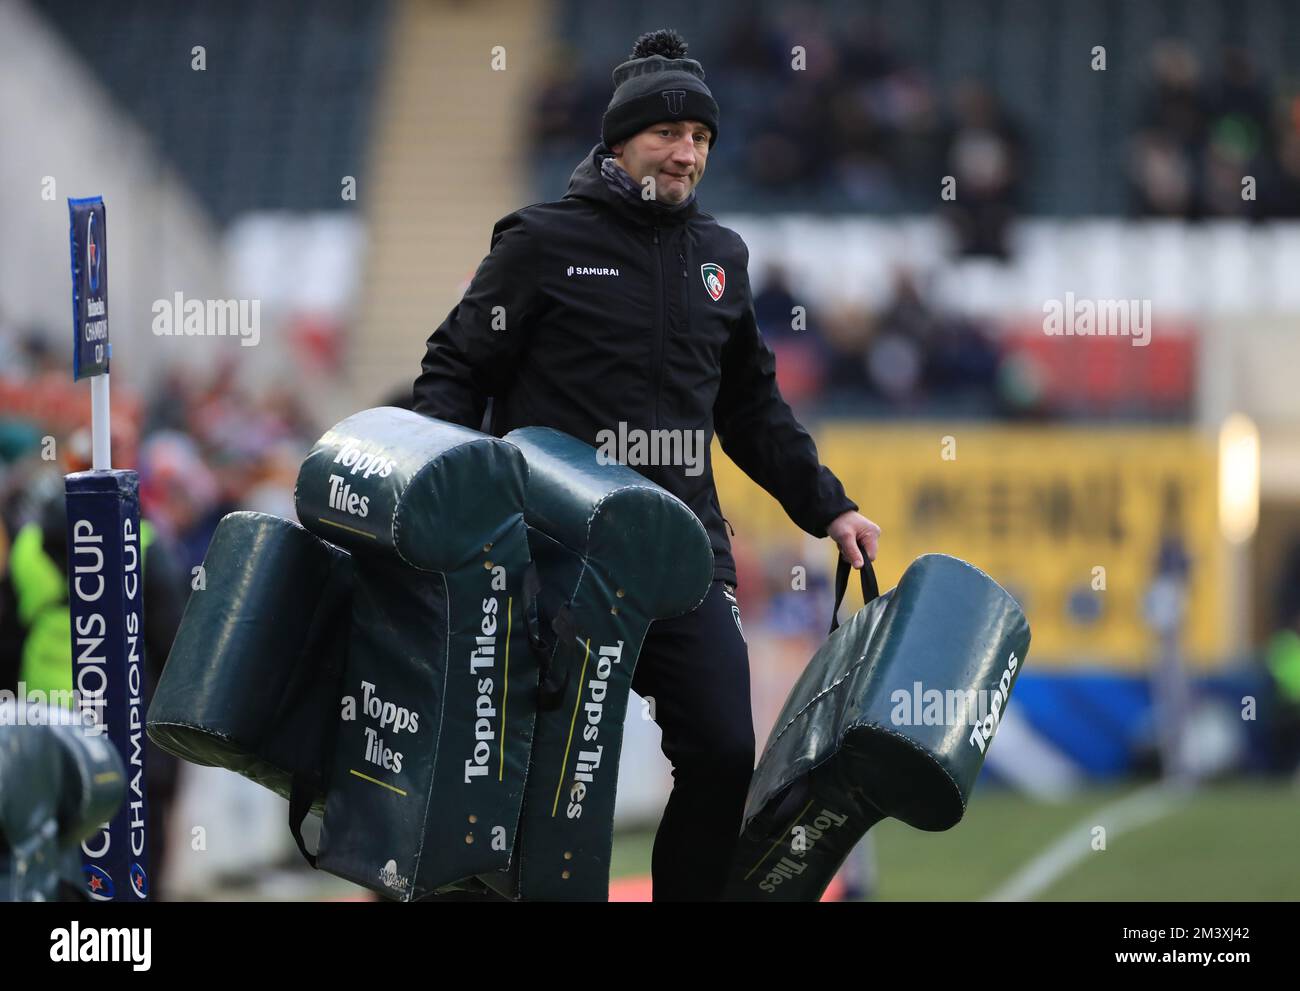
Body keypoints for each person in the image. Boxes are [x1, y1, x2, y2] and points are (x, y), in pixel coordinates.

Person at [412, 28, 879, 900]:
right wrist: (445, 498)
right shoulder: (539, 241)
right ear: (619, 142)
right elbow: (455, 369)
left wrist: (830, 508)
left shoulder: (722, 259)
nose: (686, 152)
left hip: (682, 551)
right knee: (524, 766)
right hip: (554, 549)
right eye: (668, 134)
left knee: (722, 748)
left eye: (700, 137)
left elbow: (751, 409)